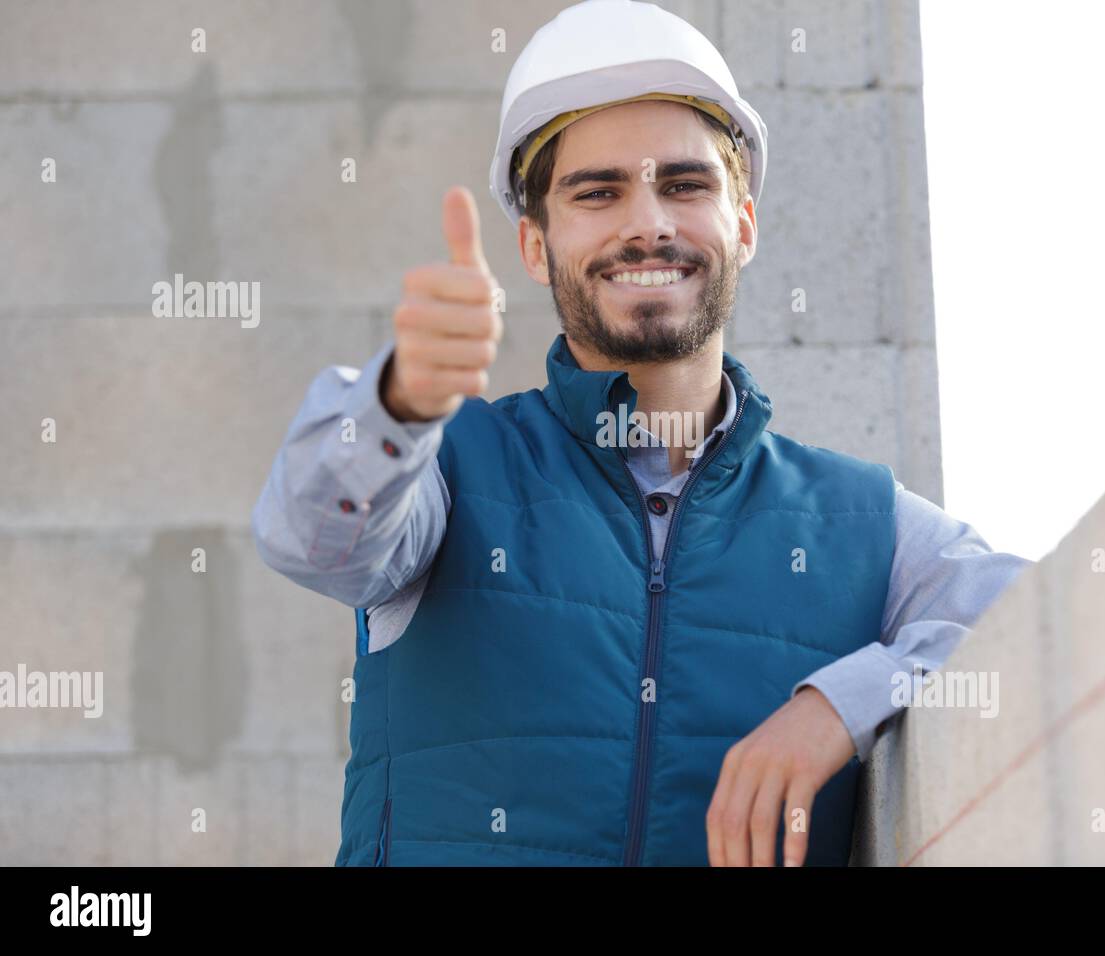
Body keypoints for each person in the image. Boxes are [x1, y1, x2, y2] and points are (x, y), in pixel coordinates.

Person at [251, 0, 1031, 867]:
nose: (647, 222)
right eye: (598, 192)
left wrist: (843, 702)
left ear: (743, 224)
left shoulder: (862, 524)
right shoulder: (446, 473)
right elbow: (311, 540)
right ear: (535, 246)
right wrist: (399, 403)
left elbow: (1027, 617)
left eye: (686, 184)